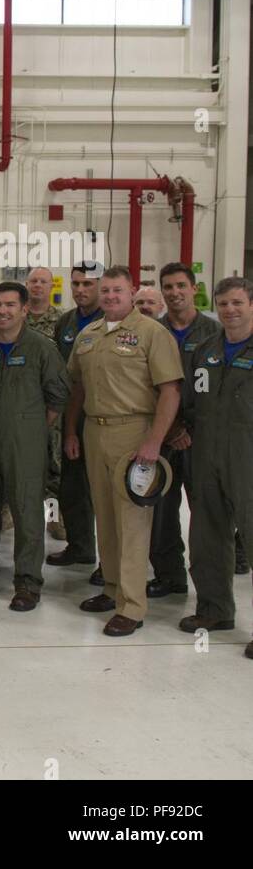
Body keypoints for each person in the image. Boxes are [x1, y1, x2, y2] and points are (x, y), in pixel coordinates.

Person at [64, 265, 182, 636]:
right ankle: (112, 588)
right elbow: (77, 388)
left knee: (132, 521)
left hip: (135, 434)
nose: (111, 297)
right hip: (95, 431)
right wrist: (71, 430)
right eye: (106, 291)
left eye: (118, 290)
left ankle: (132, 606)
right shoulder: (88, 334)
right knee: (106, 516)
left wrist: (154, 441)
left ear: (132, 292)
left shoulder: (151, 333)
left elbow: (170, 390)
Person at [0, 282, 68, 610]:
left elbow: (58, 395)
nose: (3, 311)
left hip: (26, 445)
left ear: (24, 310)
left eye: (10, 305)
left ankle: (27, 582)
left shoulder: (41, 348)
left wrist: (31, 427)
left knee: (27, 513)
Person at [145, 263, 222, 598]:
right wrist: (171, 426)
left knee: (206, 514)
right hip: (162, 435)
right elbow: (145, 386)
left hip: (202, 437)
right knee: (160, 509)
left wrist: (188, 425)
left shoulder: (214, 333)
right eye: (168, 287)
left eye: (180, 286)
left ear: (194, 288)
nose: (174, 292)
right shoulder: (152, 332)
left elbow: (218, 389)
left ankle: (210, 589)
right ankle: (169, 576)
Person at [186, 276, 253, 654]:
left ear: (251, 304)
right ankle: (214, 609)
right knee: (207, 534)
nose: (229, 310)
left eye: (237, 303)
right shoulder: (206, 349)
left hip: (248, 453)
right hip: (207, 451)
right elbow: (194, 401)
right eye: (223, 303)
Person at [49, 262, 103, 570]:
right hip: (72, 413)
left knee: (105, 488)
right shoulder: (66, 322)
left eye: (88, 284)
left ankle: (111, 562)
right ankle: (80, 546)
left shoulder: (111, 320)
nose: (81, 290)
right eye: (76, 284)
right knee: (72, 485)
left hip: (104, 413)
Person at [25, 267, 60, 339]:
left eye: (43, 282)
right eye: (34, 281)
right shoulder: (16, 316)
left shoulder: (62, 319)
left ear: (51, 287)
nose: (38, 285)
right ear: (26, 285)